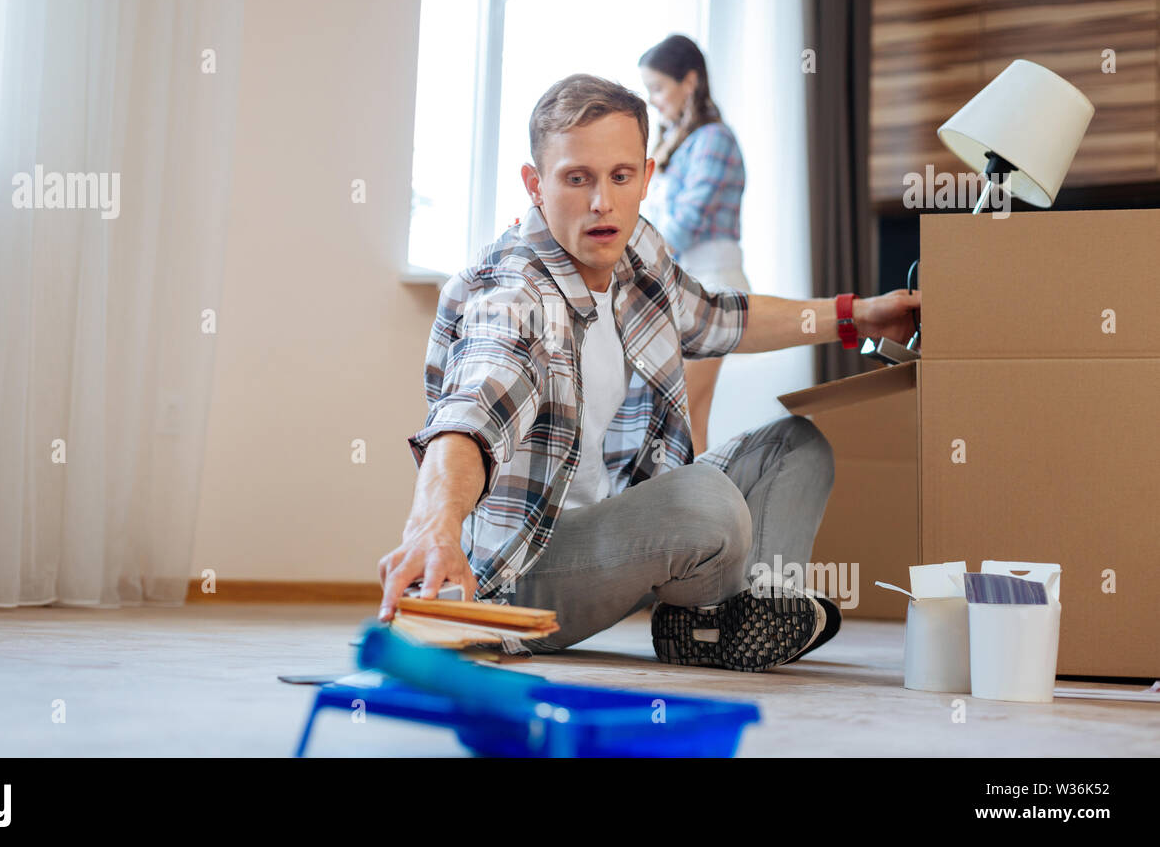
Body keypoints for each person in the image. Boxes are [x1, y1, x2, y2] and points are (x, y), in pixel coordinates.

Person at [377, 74, 919, 671]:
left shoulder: (636, 253)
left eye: (620, 176)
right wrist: (433, 527)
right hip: (523, 578)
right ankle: (711, 618)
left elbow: (715, 318)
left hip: (618, 524)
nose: (601, 202)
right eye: (576, 178)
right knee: (704, 501)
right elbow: (472, 412)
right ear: (535, 185)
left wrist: (860, 316)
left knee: (796, 445)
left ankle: (723, 625)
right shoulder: (515, 295)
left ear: (647, 177)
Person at [639, 34, 746, 457]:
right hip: (686, 284)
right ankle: (695, 515)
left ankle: (698, 517)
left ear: (691, 81)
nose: (654, 100)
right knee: (686, 415)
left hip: (712, 285)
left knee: (684, 413)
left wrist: (636, 254)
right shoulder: (678, 144)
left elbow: (687, 221)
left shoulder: (714, 140)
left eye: (659, 88)